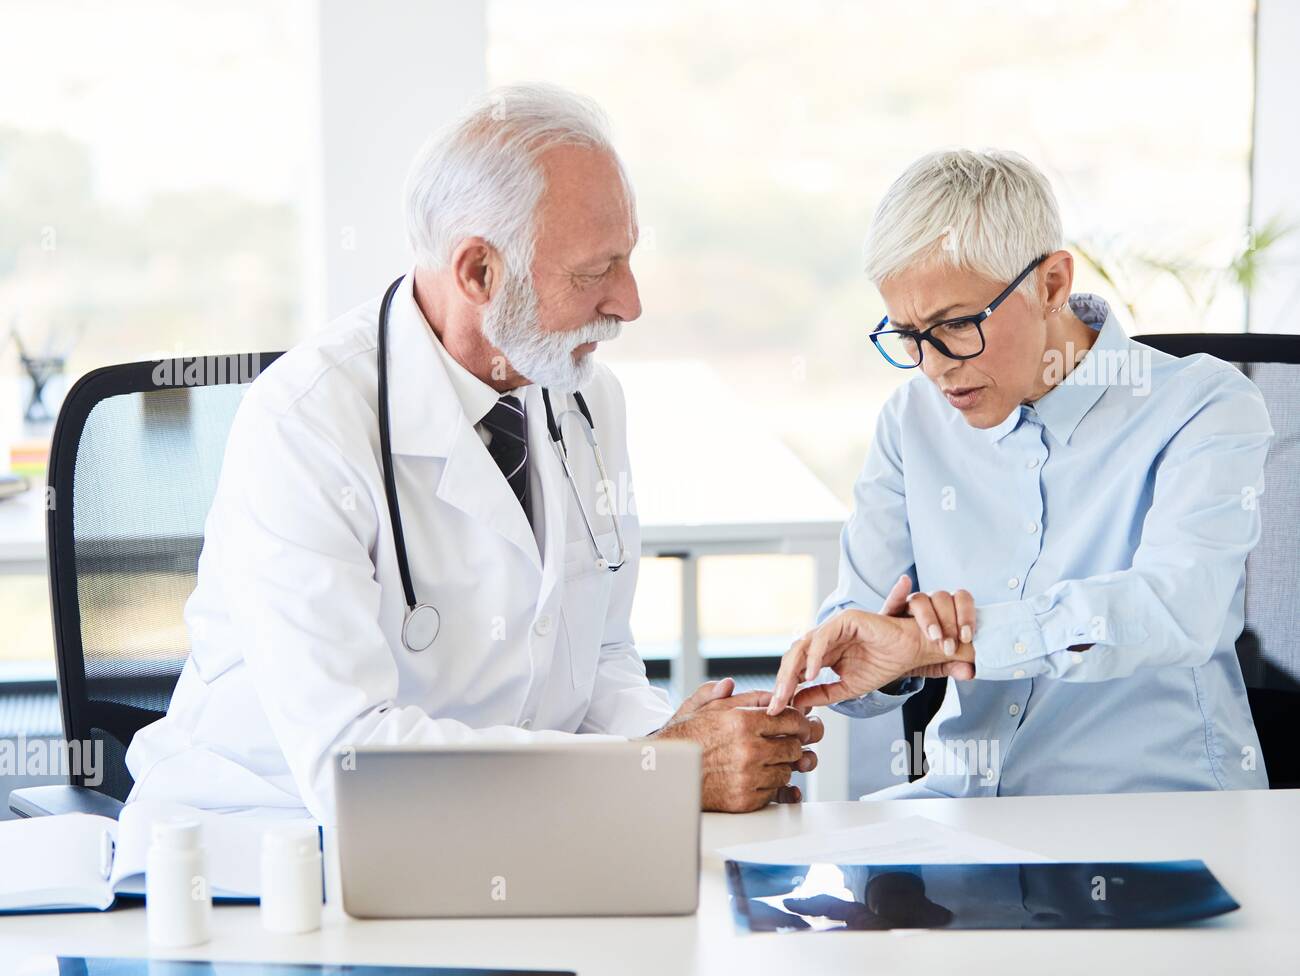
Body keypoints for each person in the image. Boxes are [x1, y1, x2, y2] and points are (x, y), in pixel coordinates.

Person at [125, 83, 821, 824]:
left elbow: (600, 657)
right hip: (272, 846)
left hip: (514, 833)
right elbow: (351, 766)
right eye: (594, 272)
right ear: (478, 273)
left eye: (628, 259)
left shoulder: (584, 397)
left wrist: (675, 737)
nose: (630, 301)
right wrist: (664, 771)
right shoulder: (303, 426)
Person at [768, 148, 1272, 797]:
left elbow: (1178, 610)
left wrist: (956, 638)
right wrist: (879, 660)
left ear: (1052, 284)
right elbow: (864, 647)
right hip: (963, 806)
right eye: (908, 336)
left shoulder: (1205, 405)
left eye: (954, 326)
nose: (934, 365)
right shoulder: (912, 420)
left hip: (1148, 814)